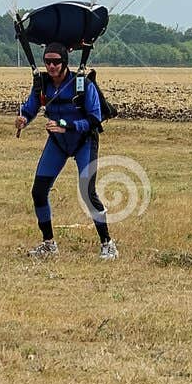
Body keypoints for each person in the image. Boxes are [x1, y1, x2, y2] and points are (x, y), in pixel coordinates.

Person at [15, 43, 118, 260]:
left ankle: (107, 244)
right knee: (38, 192)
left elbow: (94, 119)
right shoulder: (42, 85)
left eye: (56, 62)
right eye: (47, 62)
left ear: (64, 63)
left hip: (83, 141)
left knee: (87, 192)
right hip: (58, 143)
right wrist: (24, 118)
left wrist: (66, 125)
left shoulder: (83, 85)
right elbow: (32, 107)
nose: (51, 66)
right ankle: (48, 244)